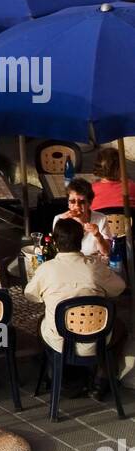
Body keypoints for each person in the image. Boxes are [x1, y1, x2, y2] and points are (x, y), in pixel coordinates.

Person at [24, 217, 125, 390]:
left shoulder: (46, 269)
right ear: (80, 241)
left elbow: (30, 294)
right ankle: (103, 376)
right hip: (96, 341)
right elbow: (119, 287)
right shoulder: (95, 267)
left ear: (55, 243)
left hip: (59, 341)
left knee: (41, 321)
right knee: (120, 327)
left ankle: (52, 368)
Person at [52, 177, 110, 258]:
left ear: (89, 203)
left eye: (82, 202)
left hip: (92, 264)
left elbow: (106, 253)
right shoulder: (59, 219)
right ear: (68, 203)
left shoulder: (101, 219)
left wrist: (98, 236)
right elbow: (57, 251)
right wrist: (62, 226)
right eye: (72, 201)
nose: (77, 206)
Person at [90, 147, 135, 212]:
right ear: (120, 168)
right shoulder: (131, 186)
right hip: (128, 221)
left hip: (100, 221)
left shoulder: (91, 189)